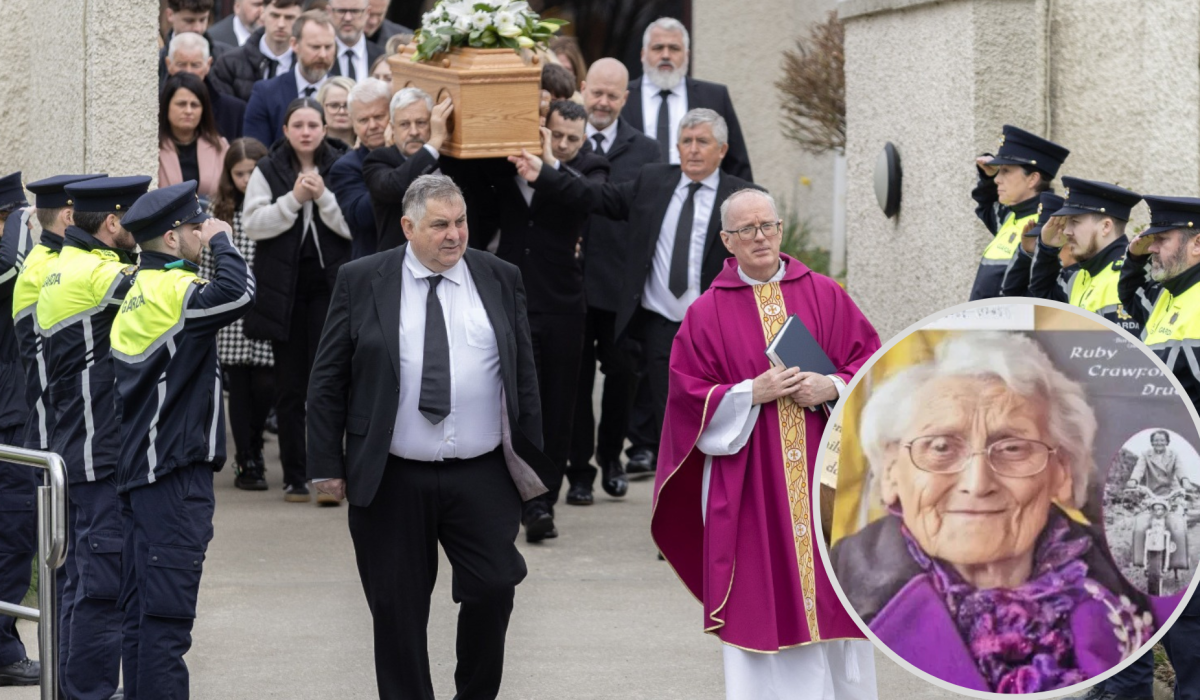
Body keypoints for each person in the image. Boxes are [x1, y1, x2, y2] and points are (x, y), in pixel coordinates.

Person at [306, 173, 553, 700]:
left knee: (494, 587)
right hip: (391, 473)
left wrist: (531, 460)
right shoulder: (362, 278)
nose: (454, 235)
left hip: (481, 472)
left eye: (460, 222)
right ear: (408, 226)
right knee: (397, 611)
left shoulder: (500, 276)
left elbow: (523, 373)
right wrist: (326, 462)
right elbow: (328, 378)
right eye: (440, 224)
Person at [831, 332, 1185, 693]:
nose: (977, 482)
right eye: (940, 446)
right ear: (891, 471)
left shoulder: (1128, 569)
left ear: (1062, 471)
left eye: (1013, 448)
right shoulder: (839, 581)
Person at [655, 188, 881, 700]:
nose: (760, 238)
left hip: (828, 480)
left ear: (780, 230)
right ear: (726, 241)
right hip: (752, 488)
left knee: (838, 605)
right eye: (746, 231)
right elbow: (686, 397)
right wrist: (747, 393)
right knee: (762, 608)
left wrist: (835, 386)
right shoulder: (706, 313)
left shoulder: (825, 294)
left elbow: (871, 364)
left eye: (767, 227)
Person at [516, 108, 757, 483]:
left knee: (719, 426)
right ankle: (675, 527)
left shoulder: (741, 199)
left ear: (722, 149)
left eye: (702, 142)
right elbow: (595, 196)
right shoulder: (653, 181)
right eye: (686, 141)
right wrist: (546, 171)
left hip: (716, 332)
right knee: (671, 430)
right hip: (662, 329)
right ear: (676, 146)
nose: (692, 150)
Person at [111, 181, 253, 699]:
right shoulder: (175, 292)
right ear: (172, 239)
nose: (202, 231)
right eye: (195, 226)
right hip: (172, 475)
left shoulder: (139, 291)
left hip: (143, 473)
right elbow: (239, 292)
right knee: (166, 622)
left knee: (141, 617)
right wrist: (223, 241)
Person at [461, 100, 609, 533]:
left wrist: (547, 167)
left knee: (559, 405)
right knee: (516, 403)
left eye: (571, 140)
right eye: (556, 135)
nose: (563, 145)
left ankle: (543, 502)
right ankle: (512, 493)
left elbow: (592, 198)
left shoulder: (589, 169)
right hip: (510, 301)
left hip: (563, 305)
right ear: (542, 128)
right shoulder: (503, 166)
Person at [37, 175, 150, 700]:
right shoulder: (98, 271)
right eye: (138, 220)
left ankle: (68, 690)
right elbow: (165, 294)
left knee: (81, 585)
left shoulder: (65, 266)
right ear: (112, 222)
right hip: (98, 452)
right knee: (101, 591)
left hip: (79, 447)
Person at [243, 97, 350, 503]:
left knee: (330, 382)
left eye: (313, 124)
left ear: (324, 129)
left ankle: (332, 473)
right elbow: (254, 224)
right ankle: (295, 475)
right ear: (285, 130)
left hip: (330, 287)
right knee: (290, 386)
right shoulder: (268, 168)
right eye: (298, 125)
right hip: (283, 290)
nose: (306, 131)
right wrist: (293, 200)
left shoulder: (342, 165)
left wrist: (322, 196)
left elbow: (351, 225)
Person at [568, 57, 661, 506]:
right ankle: (579, 471)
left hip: (621, 287)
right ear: (583, 89)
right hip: (568, 285)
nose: (602, 102)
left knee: (623, 374)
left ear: (625, 99)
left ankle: (611, 459)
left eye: (612, 95)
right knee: (575, 381)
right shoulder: (564, 138)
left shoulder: (645, 150)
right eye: (596, 92)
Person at [203, 137, 275, 490]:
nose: (247, 179)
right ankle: (246, 457)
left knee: (265, 383)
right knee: (240, 386)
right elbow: (208, 261)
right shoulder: (221, 211)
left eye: (254, 172)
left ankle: (255, 441)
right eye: (240, 173)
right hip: (231, 306)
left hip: (266, 302)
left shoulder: (275, 205)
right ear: (230, 176)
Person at [621, 17, 752, 181]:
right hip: (634, 201)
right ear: (643, 54)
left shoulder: (715, 97)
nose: (666, 55)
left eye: (674, 48)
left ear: (687, 55)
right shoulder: (621, 98)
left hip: (697, 201)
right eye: (658, 48)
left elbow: (737, 165)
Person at [0, 173, 39, 688]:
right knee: (11, 536)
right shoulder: (10, 260)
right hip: (8, 421)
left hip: (13, 414)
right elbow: (10, 264)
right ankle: (4, 650)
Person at [1025, 177, 1142, 334]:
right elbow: (1043, 296)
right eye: (1067, 222)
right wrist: (1047, 248)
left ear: (1106, 226)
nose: (1067, 231)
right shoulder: (1079, 277)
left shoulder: (1131, 278)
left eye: (1075, 222)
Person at [970, 124, 1069, 300]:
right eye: (998, 172)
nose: (997, 180)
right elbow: (985, 205)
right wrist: (987, 177)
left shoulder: (1048, 228)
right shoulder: (1010, 216)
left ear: (1032, 179)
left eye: (1006, 171)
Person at [1119, 195, 1200, 406]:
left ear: (1197, 244)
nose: (1152, 248)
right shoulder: (1168, 292)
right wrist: (1134, 258)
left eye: (1161, 239)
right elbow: (1130, 295)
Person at [362, 87, 452, 252]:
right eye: (404, 124)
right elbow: (397, 186)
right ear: (392, 128)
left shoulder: (453, 161)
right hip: (400, 265)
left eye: (421, 123)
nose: (413, 132)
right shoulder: (377, 160)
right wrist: (434, 142)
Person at [243, 9, 337, 148]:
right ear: (294, 44)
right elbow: (255, 151)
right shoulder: (266, 94)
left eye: (328, 47)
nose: (323, 54)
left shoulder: (344, 93)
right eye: (315, 47)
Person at [328, 77, 390, 258]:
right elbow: (361, 218)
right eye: (363, 120)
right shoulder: (345, 167)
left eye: (379, 117)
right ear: (353, 124)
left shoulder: (413, 156)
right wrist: (403, 166)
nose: (373, 126)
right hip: (376, 268)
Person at [210, 0, 304, 102]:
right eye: (275, 15)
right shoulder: (229, 64)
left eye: (289, 17)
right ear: (262, 14)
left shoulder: (307, 64)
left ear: (300, 19)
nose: (281, 24)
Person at [164, 31, 248, 142]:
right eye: (181, 65)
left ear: (208, 65)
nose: (189, 72)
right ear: (168, 64)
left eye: (195, 65)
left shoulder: (234, 111)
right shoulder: (154, 108)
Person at [159, 72, 231, 199]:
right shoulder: (154, 148)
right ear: (166, 106)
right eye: (181, 104)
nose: (188, 111)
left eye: (195, 105)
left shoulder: (219, 146)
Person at [999, 191, 1063, 298]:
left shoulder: (1067, 276)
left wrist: (1046, 252)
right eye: (1040, 242)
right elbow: (1010, 294)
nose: (1040, 247)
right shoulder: (1045, 271)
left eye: (1045, 241)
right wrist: (1025, 254)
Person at [159, 0, 232, 83]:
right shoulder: (156, 61)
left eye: (202, 20)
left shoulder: (226, 57)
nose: (197, 28)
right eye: (189, 21)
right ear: (170, 15)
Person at [328, 0, 384, 81]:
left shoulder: (382, 57)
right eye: (341, 11)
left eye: (355, 11)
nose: (348, 18)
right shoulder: (319, 57)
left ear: (367, 12)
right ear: (329, 12)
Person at [316, 75, 356, 146]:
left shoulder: (370, 148)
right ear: (321, 107)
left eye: (347, 105)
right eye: (334, 105)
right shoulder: (311, 149)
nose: (342, 112)